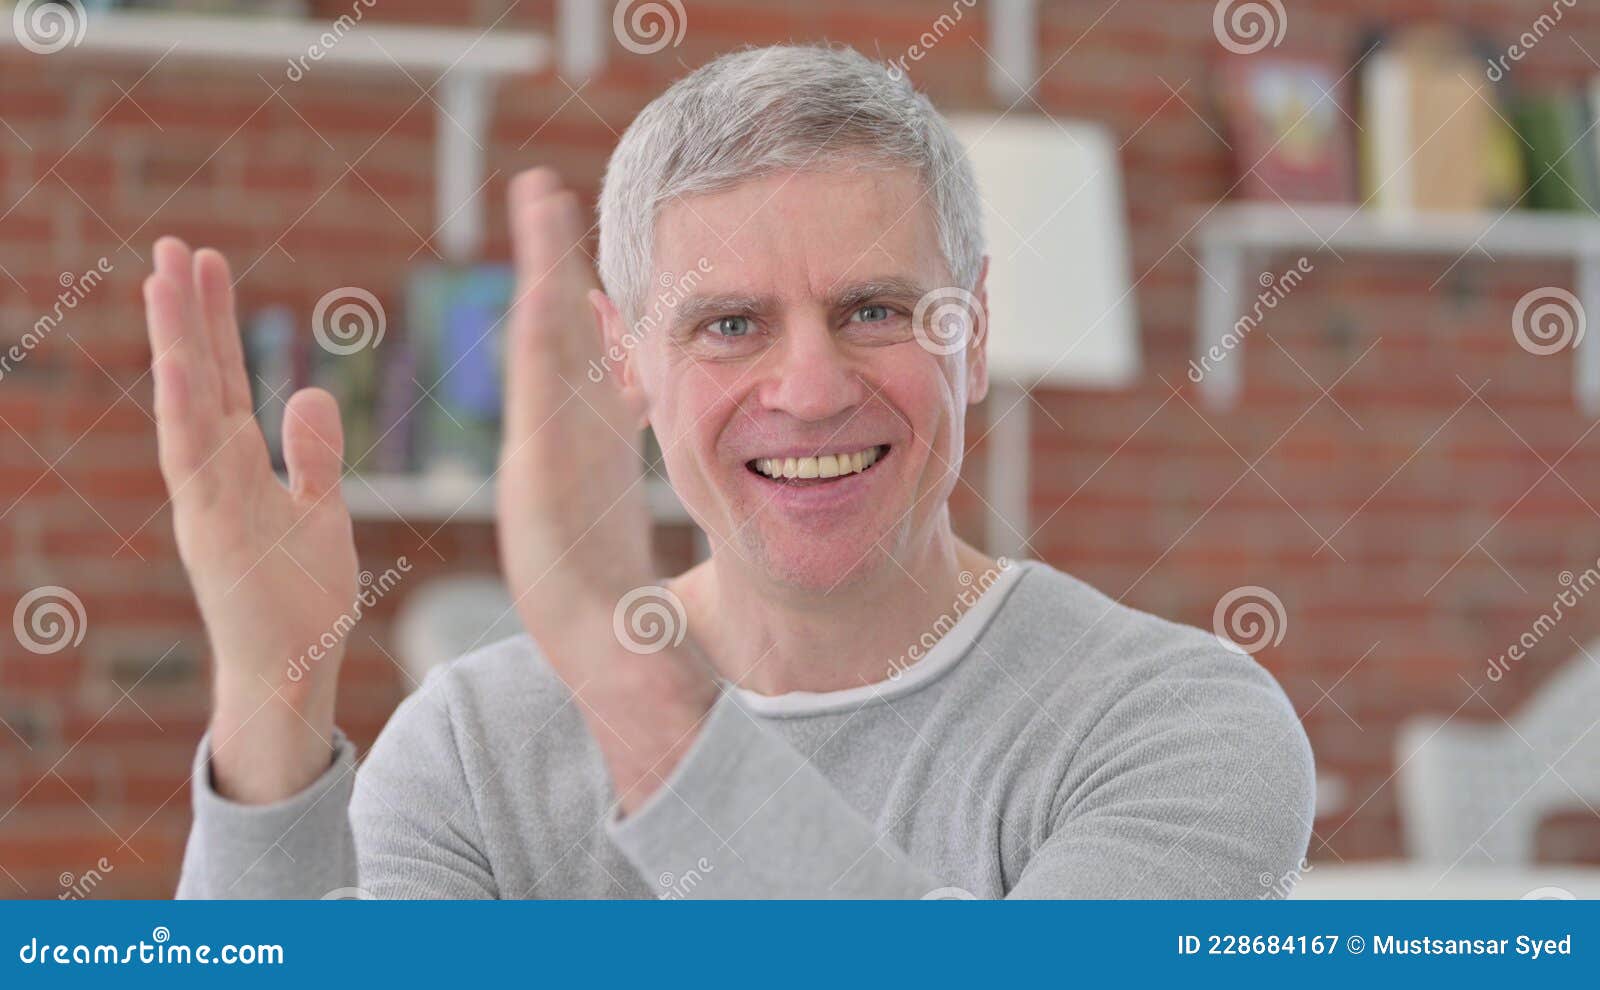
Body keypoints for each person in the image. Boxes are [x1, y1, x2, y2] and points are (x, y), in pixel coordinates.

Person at [151, 44, 1313, 899]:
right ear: (627, 364)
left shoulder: (1177, 726)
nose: (809, 389)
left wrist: (634, 686)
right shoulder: (476, 742)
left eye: (873, 309)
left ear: (974, 335)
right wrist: (273, 700)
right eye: (728, 326)